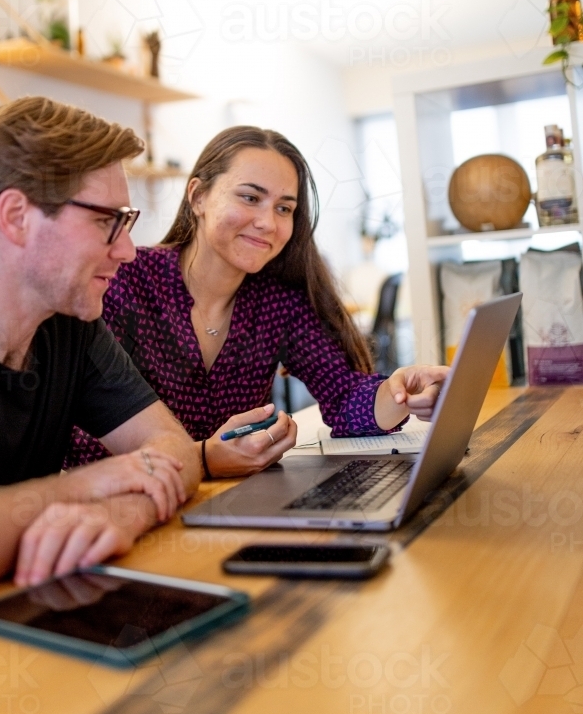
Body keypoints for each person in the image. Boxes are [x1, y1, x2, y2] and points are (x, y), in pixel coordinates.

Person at [0, 97, 200, 612]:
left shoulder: (70, 329)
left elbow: (174, 450)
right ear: (17, 216)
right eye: (106, 221)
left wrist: (122, 514)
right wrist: (88, 485)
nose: (128, 250)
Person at [68, 126, 448, 478]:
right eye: (250, 198)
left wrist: (400, 393)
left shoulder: (278, 302)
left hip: (231, 502)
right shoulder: (124, 279)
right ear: (198, 197)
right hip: (125, 502)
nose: (268, 222)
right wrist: (203, 458)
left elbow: (347, 397)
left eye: (284, 208)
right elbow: (87, 441)